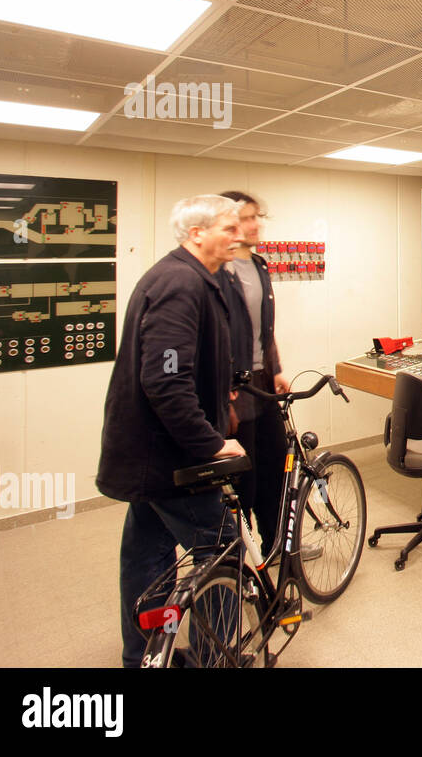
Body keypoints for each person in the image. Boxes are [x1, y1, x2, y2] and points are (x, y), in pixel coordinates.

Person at [96, 194, 246, 668]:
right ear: (196, 233)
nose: (238, 235)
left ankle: (143, 657)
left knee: (147, 559)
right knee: (222, 549)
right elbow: (164, 377)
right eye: (228, 228)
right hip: (171, 460)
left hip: (150, 458)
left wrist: (223, 395)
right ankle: (216, 657)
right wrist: (212, 443)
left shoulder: (191, 277)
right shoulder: (181, 283)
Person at [217, 190, 290, 556]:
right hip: (234, 389)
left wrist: (275, 369)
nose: (254, 224)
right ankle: (243, 557)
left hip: (263, 384)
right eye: (246, 217)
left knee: (276, 465)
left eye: (256, 216)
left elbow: (265, 329)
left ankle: (276, 545)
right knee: (244, 475)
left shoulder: (259, 265)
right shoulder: (219, 271)